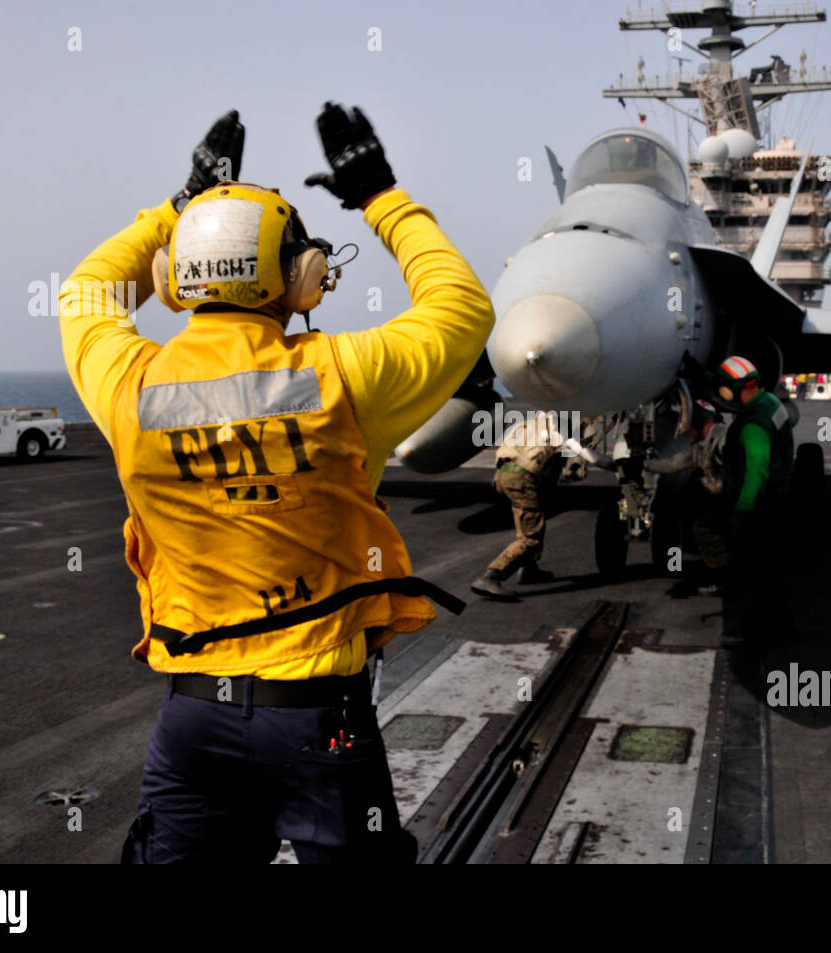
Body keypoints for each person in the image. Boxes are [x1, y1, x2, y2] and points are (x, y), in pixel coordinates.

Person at [60, 106, 493, 864]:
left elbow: (88, 290)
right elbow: (462, 307)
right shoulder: (345, 377)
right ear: (302, 277)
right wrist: (381, 196)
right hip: (321, 722)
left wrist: (177, 205)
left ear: (170, 278)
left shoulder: (127, 383)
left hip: (193, 722)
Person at [471, 413, 605, 600]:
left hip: (502, 476)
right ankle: (491, 576)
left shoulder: (528, 424)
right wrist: (617, 465)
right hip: (522, 479)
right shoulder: (562, 429)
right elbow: (594, 459)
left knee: (533, 518)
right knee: (530, 538)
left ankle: (529, 569)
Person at [710, 356, 796, 636]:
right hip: (780, 500)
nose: (723, 394)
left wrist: (742, 510)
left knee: (748, 572)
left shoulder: (752, 424)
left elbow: (756, 470)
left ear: (738, 388)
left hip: (758, 509)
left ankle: (747, 631)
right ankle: (778, 625)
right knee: (775, 571)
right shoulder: (771, 403)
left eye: (725, 388)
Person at [644, 400, 734, 595]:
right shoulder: (701, 446)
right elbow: (671, 465)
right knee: (684, 513)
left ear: (701, 424)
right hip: (718, 496)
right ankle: (688, 567)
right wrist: (643, 465)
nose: (688, 432)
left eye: (690, 427)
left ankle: (726, 578)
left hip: (734, 498)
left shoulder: (725, 441)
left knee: (709, 529)